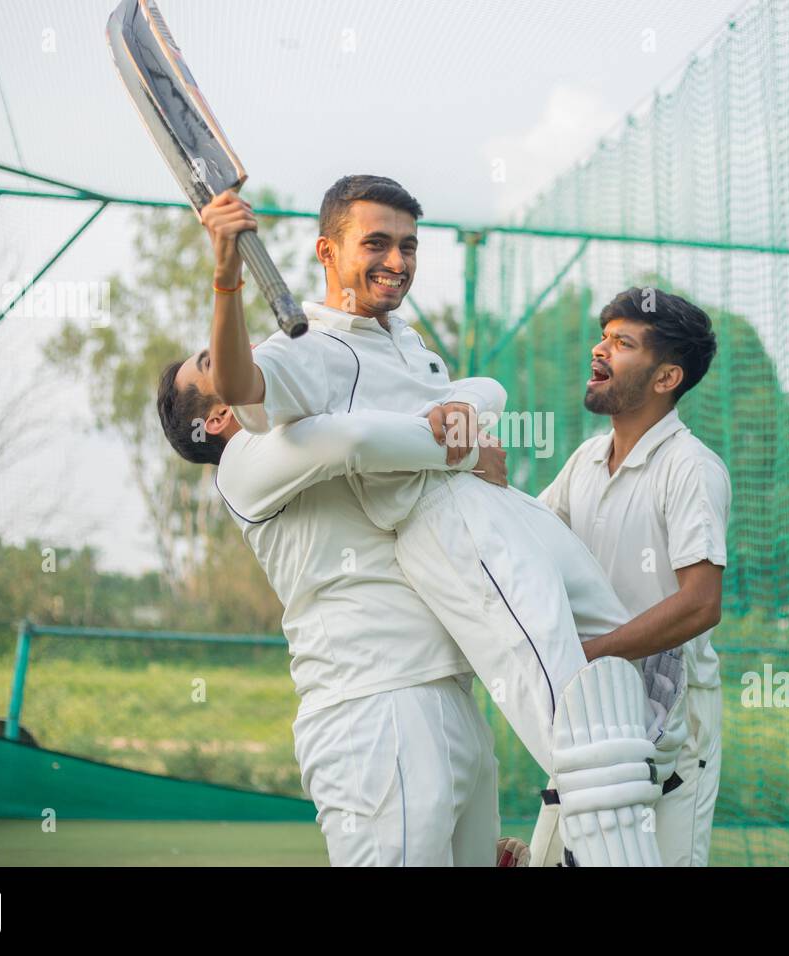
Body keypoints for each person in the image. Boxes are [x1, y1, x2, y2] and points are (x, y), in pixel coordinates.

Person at [159, 175, 680, 866]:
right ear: (216, 415)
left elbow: (445, 404)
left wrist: (464, 410)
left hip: (452, 695)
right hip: (374, 706)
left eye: (408, 245)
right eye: (377, 243)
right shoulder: (250, 460)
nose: (398, 260)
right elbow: (351, 439)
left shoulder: (388, 350)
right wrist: (226, 277)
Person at [529, 286, 731, 867]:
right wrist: (481, 475)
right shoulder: (585, 461)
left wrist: (589, 653)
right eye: (603, 335)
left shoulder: (690, 468)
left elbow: (701, 605)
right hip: (594, 711)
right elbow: (529, 539)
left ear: (667, 378)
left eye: (621, 343)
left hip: (670, 721)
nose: (600, 349)